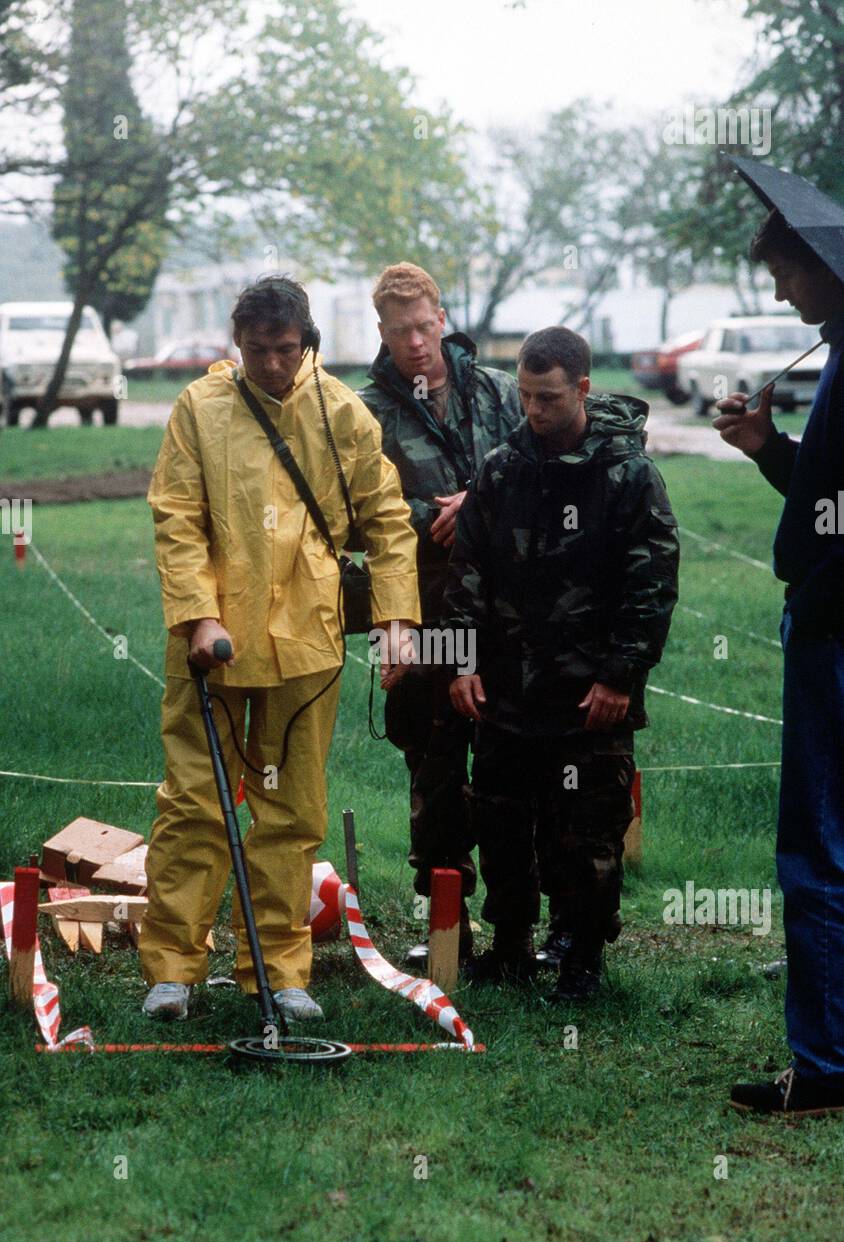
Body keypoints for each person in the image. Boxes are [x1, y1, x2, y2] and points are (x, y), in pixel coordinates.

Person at [140, 275, 420, 1022]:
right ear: (237, 344)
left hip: (309, 641)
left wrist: (397, 620)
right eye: (257, 350)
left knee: (292, 813)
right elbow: (177, 518)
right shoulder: (199, 408)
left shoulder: (342, 414)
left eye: (285, 349)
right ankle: (173, 970)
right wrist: (197, 616)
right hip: (214, 645)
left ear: (309, 343)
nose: (271, 364)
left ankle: (278, 969)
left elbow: (389, 519)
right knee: (195, 804)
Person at [443, 327, 679, 998]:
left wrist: (618, 675)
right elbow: (468, 575)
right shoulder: (501, 468)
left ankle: (581, 953)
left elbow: (652, 584)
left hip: (589, 695)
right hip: (506, 690)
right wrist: (461, 663)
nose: (533, 411)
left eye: (547, 398)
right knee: (502, 823)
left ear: (582, 389)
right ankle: (510, 944)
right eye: (523, 395)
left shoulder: (628, 475)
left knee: (585, 832)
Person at [713, 209, 844, 1115]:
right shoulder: (835, 355)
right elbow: (831, 496)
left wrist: (822, 598)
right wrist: (770, 450)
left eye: (785, 272)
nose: (777, 289)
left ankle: (827, 1065)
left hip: (835, 632)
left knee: (817, 841)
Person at [359, 262, 522, 965]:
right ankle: (447, 931)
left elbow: (551, 470)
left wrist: (480, 505)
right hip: (419, 612)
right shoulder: (365, 412)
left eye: (425, 326)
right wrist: (437, 513)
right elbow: (349, 516)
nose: (416, 343)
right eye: (401, 332)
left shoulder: (498, 392)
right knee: (433, 769)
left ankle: (521, 928)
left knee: (514, 764)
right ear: (383, 333)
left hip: (509, 613)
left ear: (443, 318)